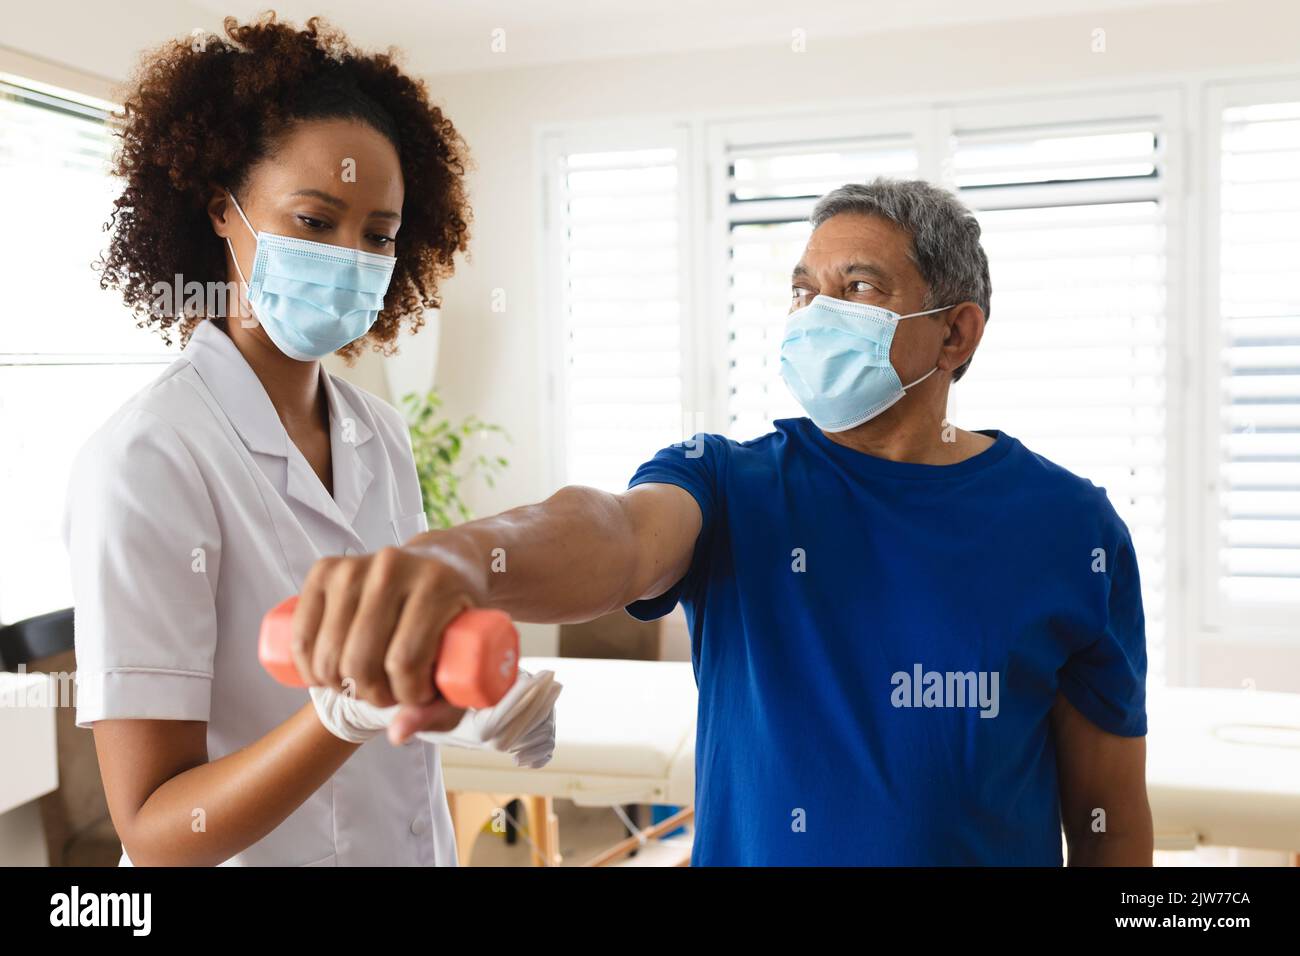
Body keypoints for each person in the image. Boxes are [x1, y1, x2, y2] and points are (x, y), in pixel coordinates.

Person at [288, 178, 1154, 866]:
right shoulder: (732, 484)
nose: (817, 313)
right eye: (802, 290)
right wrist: (467, 561)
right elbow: (616, 534)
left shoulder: (1070, 528)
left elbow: (1107, 816)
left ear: (956, 334)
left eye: (857, 286)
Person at [64, 14, 555, 867]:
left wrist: (469, 694)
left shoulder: (380, 435)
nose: (351, 257)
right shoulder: (148, 459)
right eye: (315, 220)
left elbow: (388, 655)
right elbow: (153, 830)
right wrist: (339, 714)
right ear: (223, 210)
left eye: (377, 236)